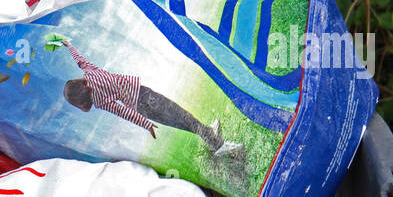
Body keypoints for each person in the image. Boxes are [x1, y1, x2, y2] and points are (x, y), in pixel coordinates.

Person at [47, 34, 245, 164]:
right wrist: (68, 44)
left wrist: (145, 123)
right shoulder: (90, 73)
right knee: (183, 117)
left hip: (143, 105)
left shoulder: (98, 101)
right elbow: (81, 60)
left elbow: (122, 111)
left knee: (182, 119)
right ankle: (219, 145)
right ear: (81, 84)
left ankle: (209, 136)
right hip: (146, 99)